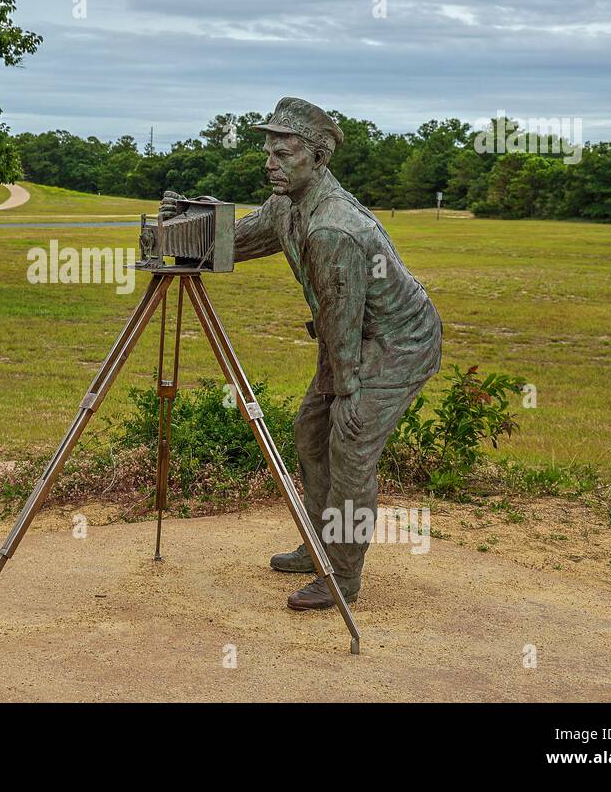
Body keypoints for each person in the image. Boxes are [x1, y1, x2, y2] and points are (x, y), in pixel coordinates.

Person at [160, 96, 442, 610]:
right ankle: (318, 545)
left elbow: (341, 319)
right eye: (268, 151)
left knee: (351, 444)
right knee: (311, 432)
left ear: (318, 158)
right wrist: (185, 224)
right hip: (349, 336)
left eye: (284, 153)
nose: (270, 162)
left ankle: (341, 575)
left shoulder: (334, 227)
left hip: (395, 343)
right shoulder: (286, 205)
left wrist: (346, 387)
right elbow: (234, 243)